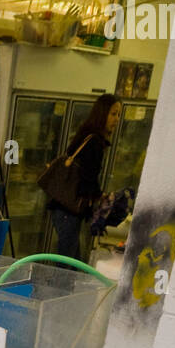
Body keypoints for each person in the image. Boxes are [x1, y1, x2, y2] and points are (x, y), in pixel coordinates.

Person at [48, 95, 121, 262]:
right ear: (102, 114)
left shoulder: (87, 136)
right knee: (67, 263)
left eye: (118, 115)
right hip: (68, 209)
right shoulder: (94, 142)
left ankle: (64, 286)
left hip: (64, 207)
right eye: (113, 114)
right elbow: (88, 178)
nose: (116, 119)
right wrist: (100, 196)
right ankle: (56, 288)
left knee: (73, 262)